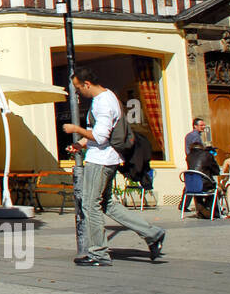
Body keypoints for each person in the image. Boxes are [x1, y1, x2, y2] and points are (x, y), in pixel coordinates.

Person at [63, 66, 166, 266]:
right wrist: (79, 144)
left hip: (100, 160)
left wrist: (75, 129)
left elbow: (100, 137)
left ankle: (98, 253)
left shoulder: (102, 103)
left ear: (87, 84)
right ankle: (153, 234)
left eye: (77, 87)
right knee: (107, 203)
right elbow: (99, 131)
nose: (78, 91)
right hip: (107, 158)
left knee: (89, 204)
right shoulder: (108, 96)